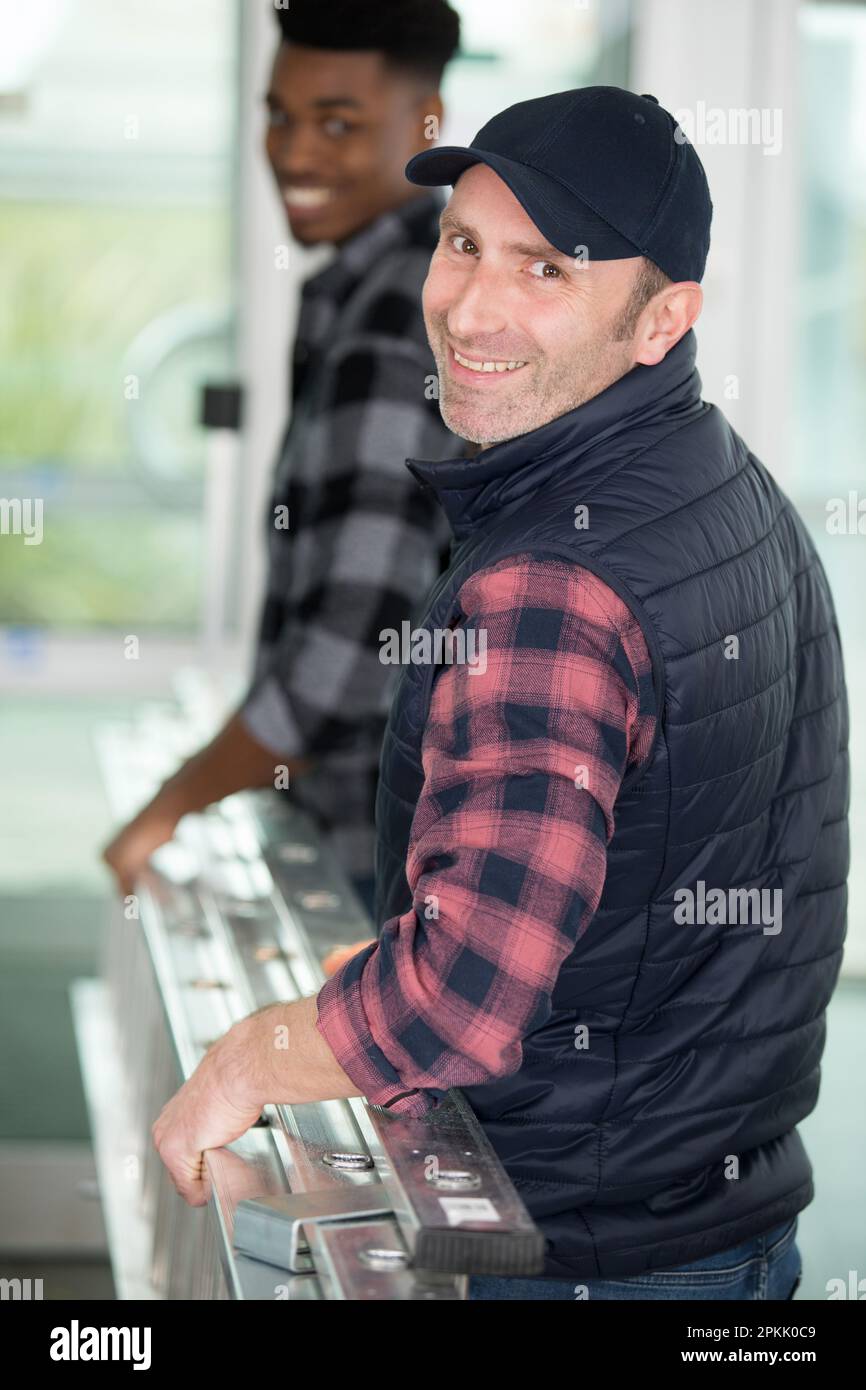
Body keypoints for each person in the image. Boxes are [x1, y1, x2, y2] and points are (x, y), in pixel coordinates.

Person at [149, 87, 848, 1302]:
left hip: (578, 1254)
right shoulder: (718, 481)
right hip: (718, 1231)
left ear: (660, 319)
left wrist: (252, 1058)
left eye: (545, 271)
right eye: (463, 243)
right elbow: (628, 876)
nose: (469, 307)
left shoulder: (554, 584)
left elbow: (463, 998)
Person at [103, 0, 461, 915]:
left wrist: (168, 807)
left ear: (429, 127)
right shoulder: (379, 287)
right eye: (279, 115)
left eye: (338, 124)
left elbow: (341, 662)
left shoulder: (394, 321)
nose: (296, 155)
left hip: (385, 875)